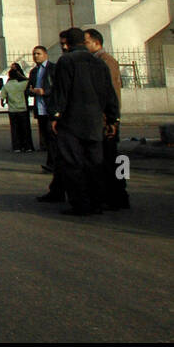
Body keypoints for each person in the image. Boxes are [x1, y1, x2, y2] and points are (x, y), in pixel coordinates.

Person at [50, 27, 119, 216]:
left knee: (73, 164)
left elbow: (61, 91)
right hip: (95, 122)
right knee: (94, 163)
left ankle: (81, 204)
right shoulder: (99, 63)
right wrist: (113, 118)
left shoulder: (66, 61)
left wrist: (55, 115)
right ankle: (97, 202)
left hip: (72, 122)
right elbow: (109, 93)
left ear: (67, 44)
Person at [84, 28, 129, 210]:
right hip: (103, 119)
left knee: (112, 160)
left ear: (96, 42)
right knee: (105, 160)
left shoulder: (106, 62)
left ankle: (119, 196)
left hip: (106, 120)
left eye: (86, 42)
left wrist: (112, 119)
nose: (84, 45)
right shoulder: (96, 61)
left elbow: (111, 93)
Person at [27, 45, 55, 174]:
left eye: (38, 53)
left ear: (45, 54)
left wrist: (45, 91)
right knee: (46, 138)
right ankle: (50, 163)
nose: (36, 56)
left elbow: (57, 87)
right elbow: (29, 88)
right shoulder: (33, 72)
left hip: (50, 108)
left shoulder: (52, 69)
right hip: (40, 108)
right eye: (34, 54)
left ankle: (53, 164)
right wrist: (32, 91)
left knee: (53, 137)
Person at [0, 63, 33, 153]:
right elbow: (29, 81)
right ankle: (27, 146)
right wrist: (20, 75)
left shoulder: (6, 85)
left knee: (15, 129)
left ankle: (17, 147)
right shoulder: (22, 84)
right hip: (23, 108)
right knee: (25, 128)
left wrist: (3, 102)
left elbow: (2, 97)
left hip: (12, 110)